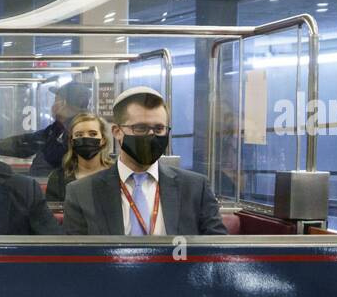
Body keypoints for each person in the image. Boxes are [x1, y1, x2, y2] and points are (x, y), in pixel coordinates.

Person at [63, 86, 227, 236]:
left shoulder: (195, 188)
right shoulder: (81, 192)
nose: (151, 135)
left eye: (158, 129)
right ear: (117, 131)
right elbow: (76, 259)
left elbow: (219, 253)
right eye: (140, 128)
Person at [0, 81, 92, 176]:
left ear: (63, 103)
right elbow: (26, 143)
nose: (53, 104)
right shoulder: (57, 128)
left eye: (56, 100)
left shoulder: (77, 132)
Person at [45, 112, 114, 202]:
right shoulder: (58, 178)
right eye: (79, 135)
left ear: (103, 140)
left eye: (92, 134)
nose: (86, 138)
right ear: (72, 141)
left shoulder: (116, 173)